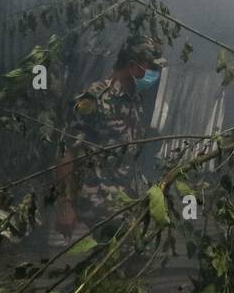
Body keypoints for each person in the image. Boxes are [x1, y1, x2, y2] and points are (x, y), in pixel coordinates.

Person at [54, 34, 164, 239]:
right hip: (98, 197)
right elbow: (66, 149)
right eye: (152, 68)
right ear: (132, 66)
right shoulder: (94, 97)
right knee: (126, 248)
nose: (155, 73)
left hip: (126, 195)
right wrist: (65, 204)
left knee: (138, 251)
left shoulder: (135, 99)